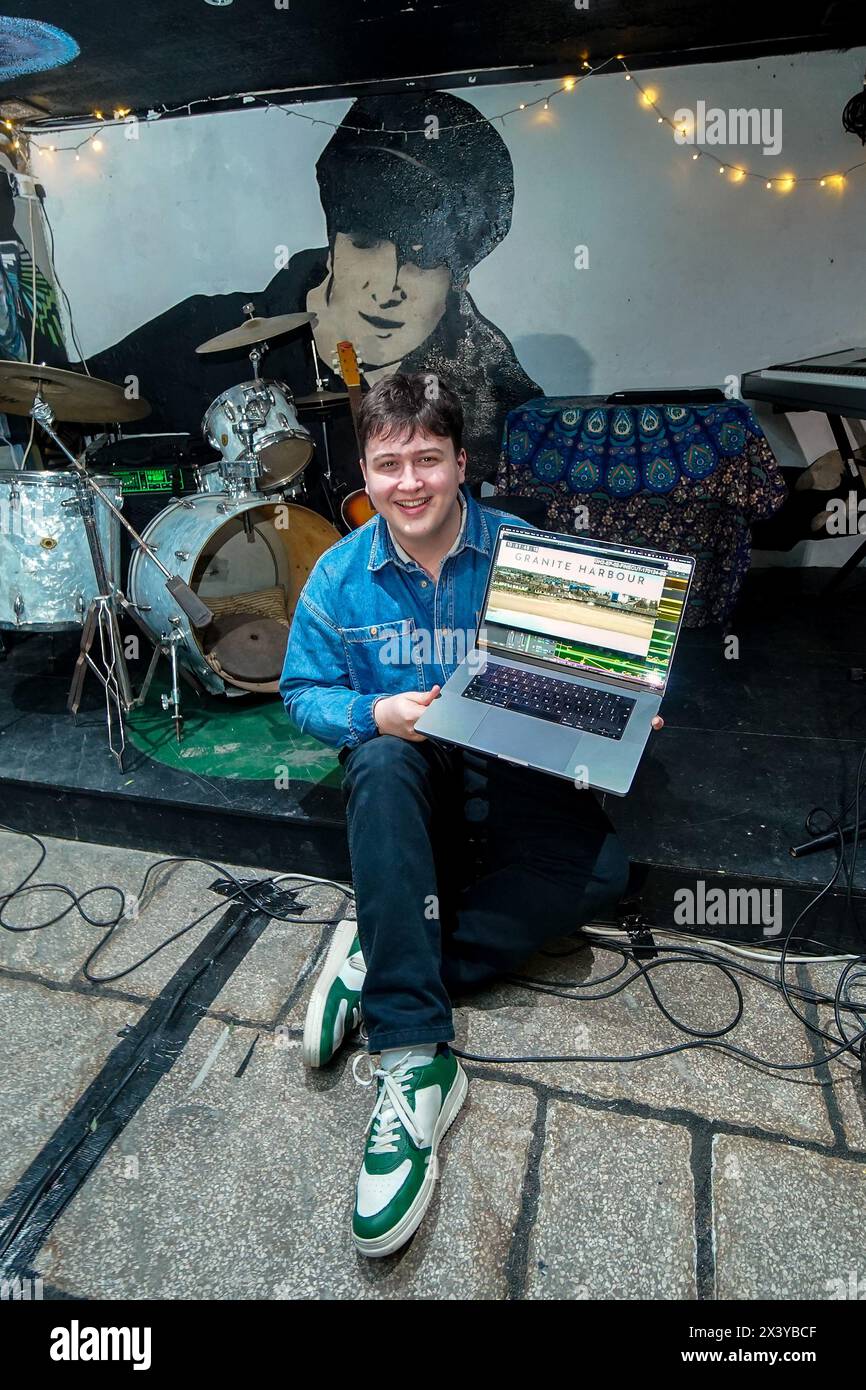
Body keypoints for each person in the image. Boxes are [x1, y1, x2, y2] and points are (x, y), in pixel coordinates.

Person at [279, 372, 662, 1259]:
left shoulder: (527, 554)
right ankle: (416, 1060)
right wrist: (374, 714)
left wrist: (624, 701)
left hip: (513, 769)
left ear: (461, 463)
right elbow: (301, 691)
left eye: (427, 460)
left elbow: (589, 679)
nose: (408, 483)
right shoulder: (339, 575)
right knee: (376, 764)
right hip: (407, 779)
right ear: (364, 475)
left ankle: (382, 955)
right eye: (388, 465)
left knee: (602, 873)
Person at [88, 91, 540, 490]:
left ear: (458, 277)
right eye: (366, 243)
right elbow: (65, 394)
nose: (385, 289)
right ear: (333, 245)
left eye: (422, 261)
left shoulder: (490, 387)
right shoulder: (206, 335)